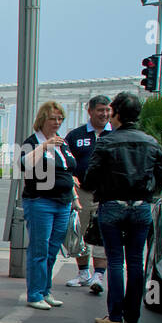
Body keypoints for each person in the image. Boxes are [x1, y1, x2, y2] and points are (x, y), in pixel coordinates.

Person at [83, 91, 162, 323]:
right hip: (141, 207)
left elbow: (91, 178)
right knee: (136, 261)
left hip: (112, 205)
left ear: (117, 114)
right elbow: (160, 176)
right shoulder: (151, 142)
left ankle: (115, 316)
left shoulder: (107, 141)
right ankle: (132, 317)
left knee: (116, 261)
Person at [17, 100, 78, 310]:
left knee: (52, 250)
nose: (57, 122)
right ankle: (34, 294)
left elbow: (68, 171)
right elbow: (24, 164)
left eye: (60, 118)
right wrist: (44, 147)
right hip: (40, 201)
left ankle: (45, 290)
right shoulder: (33, 141)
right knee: (39, 249)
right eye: (53, 118)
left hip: (63, 202)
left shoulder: (62, 142)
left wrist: (74, 197)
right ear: (42, 119)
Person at [63, 95, 113, 292]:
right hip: (82, 193)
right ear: (90, 111)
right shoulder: (76, 136)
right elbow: (66, 164)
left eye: (107, 110)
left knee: (103, 235)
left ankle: (98, 276)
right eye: (100, 110)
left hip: (107, 195)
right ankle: (83, 272)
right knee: (79, 233)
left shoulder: (115, 134)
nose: (104, 114)